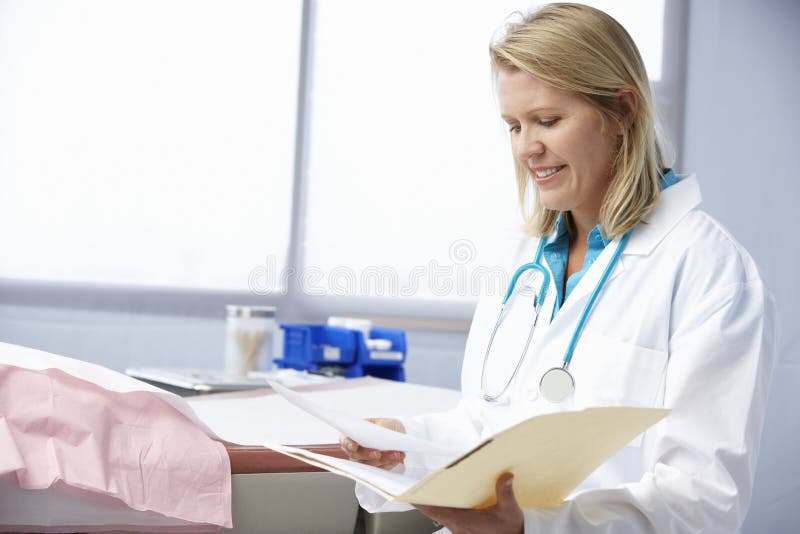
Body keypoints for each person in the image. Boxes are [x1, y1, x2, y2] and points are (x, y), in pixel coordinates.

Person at [339, 3, 776, 533]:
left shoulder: (710, 272)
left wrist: (535, 528)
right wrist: (401, 444)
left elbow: (704, 502)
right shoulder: (522, 259)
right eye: (514, 126)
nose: (528, 147)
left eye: (547, 120)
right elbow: (486, 424)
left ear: (622, 112)